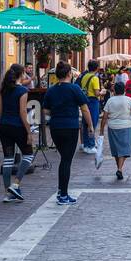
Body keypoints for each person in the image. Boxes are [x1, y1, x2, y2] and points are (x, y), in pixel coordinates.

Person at [41, 61, 94, 205]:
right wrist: (90, 126)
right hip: (70, 127)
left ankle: (61, 191)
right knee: (66, 160)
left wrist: (56, 112)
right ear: (69, 74)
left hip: (55, 127)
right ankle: (63, 194)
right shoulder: (74, 89)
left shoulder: (51, 90)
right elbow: (84, 109)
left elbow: (45, 110)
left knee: (64, 158)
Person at [0, 63, 34, 202]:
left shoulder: (3, 90)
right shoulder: (23, 91)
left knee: (7, 159)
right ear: (21, 74)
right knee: (29, 155)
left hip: (4, 126)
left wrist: (3, 123)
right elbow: (23, 112)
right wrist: (28, 131)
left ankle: (7, 193)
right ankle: (16, 183)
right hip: (18, 126)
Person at [99, 80, 131, 181]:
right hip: (126, 127)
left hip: (113, 127)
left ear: (114, 90)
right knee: (124, 149)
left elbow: (104, 117)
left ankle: (119, 168)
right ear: (124, 90)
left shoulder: (110, 101)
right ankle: (120, 169)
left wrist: (101, 130)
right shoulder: (129, 100)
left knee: (116, 150)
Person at [78, 59, 104, 153]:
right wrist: (102, 92)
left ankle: (85, 144)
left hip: (85, 100)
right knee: (92, 123)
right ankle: (91, 145)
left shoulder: (85, 76)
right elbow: (97, 93)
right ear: (97, 68)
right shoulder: (95, 78)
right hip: (93, 101)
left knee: (86, 123)